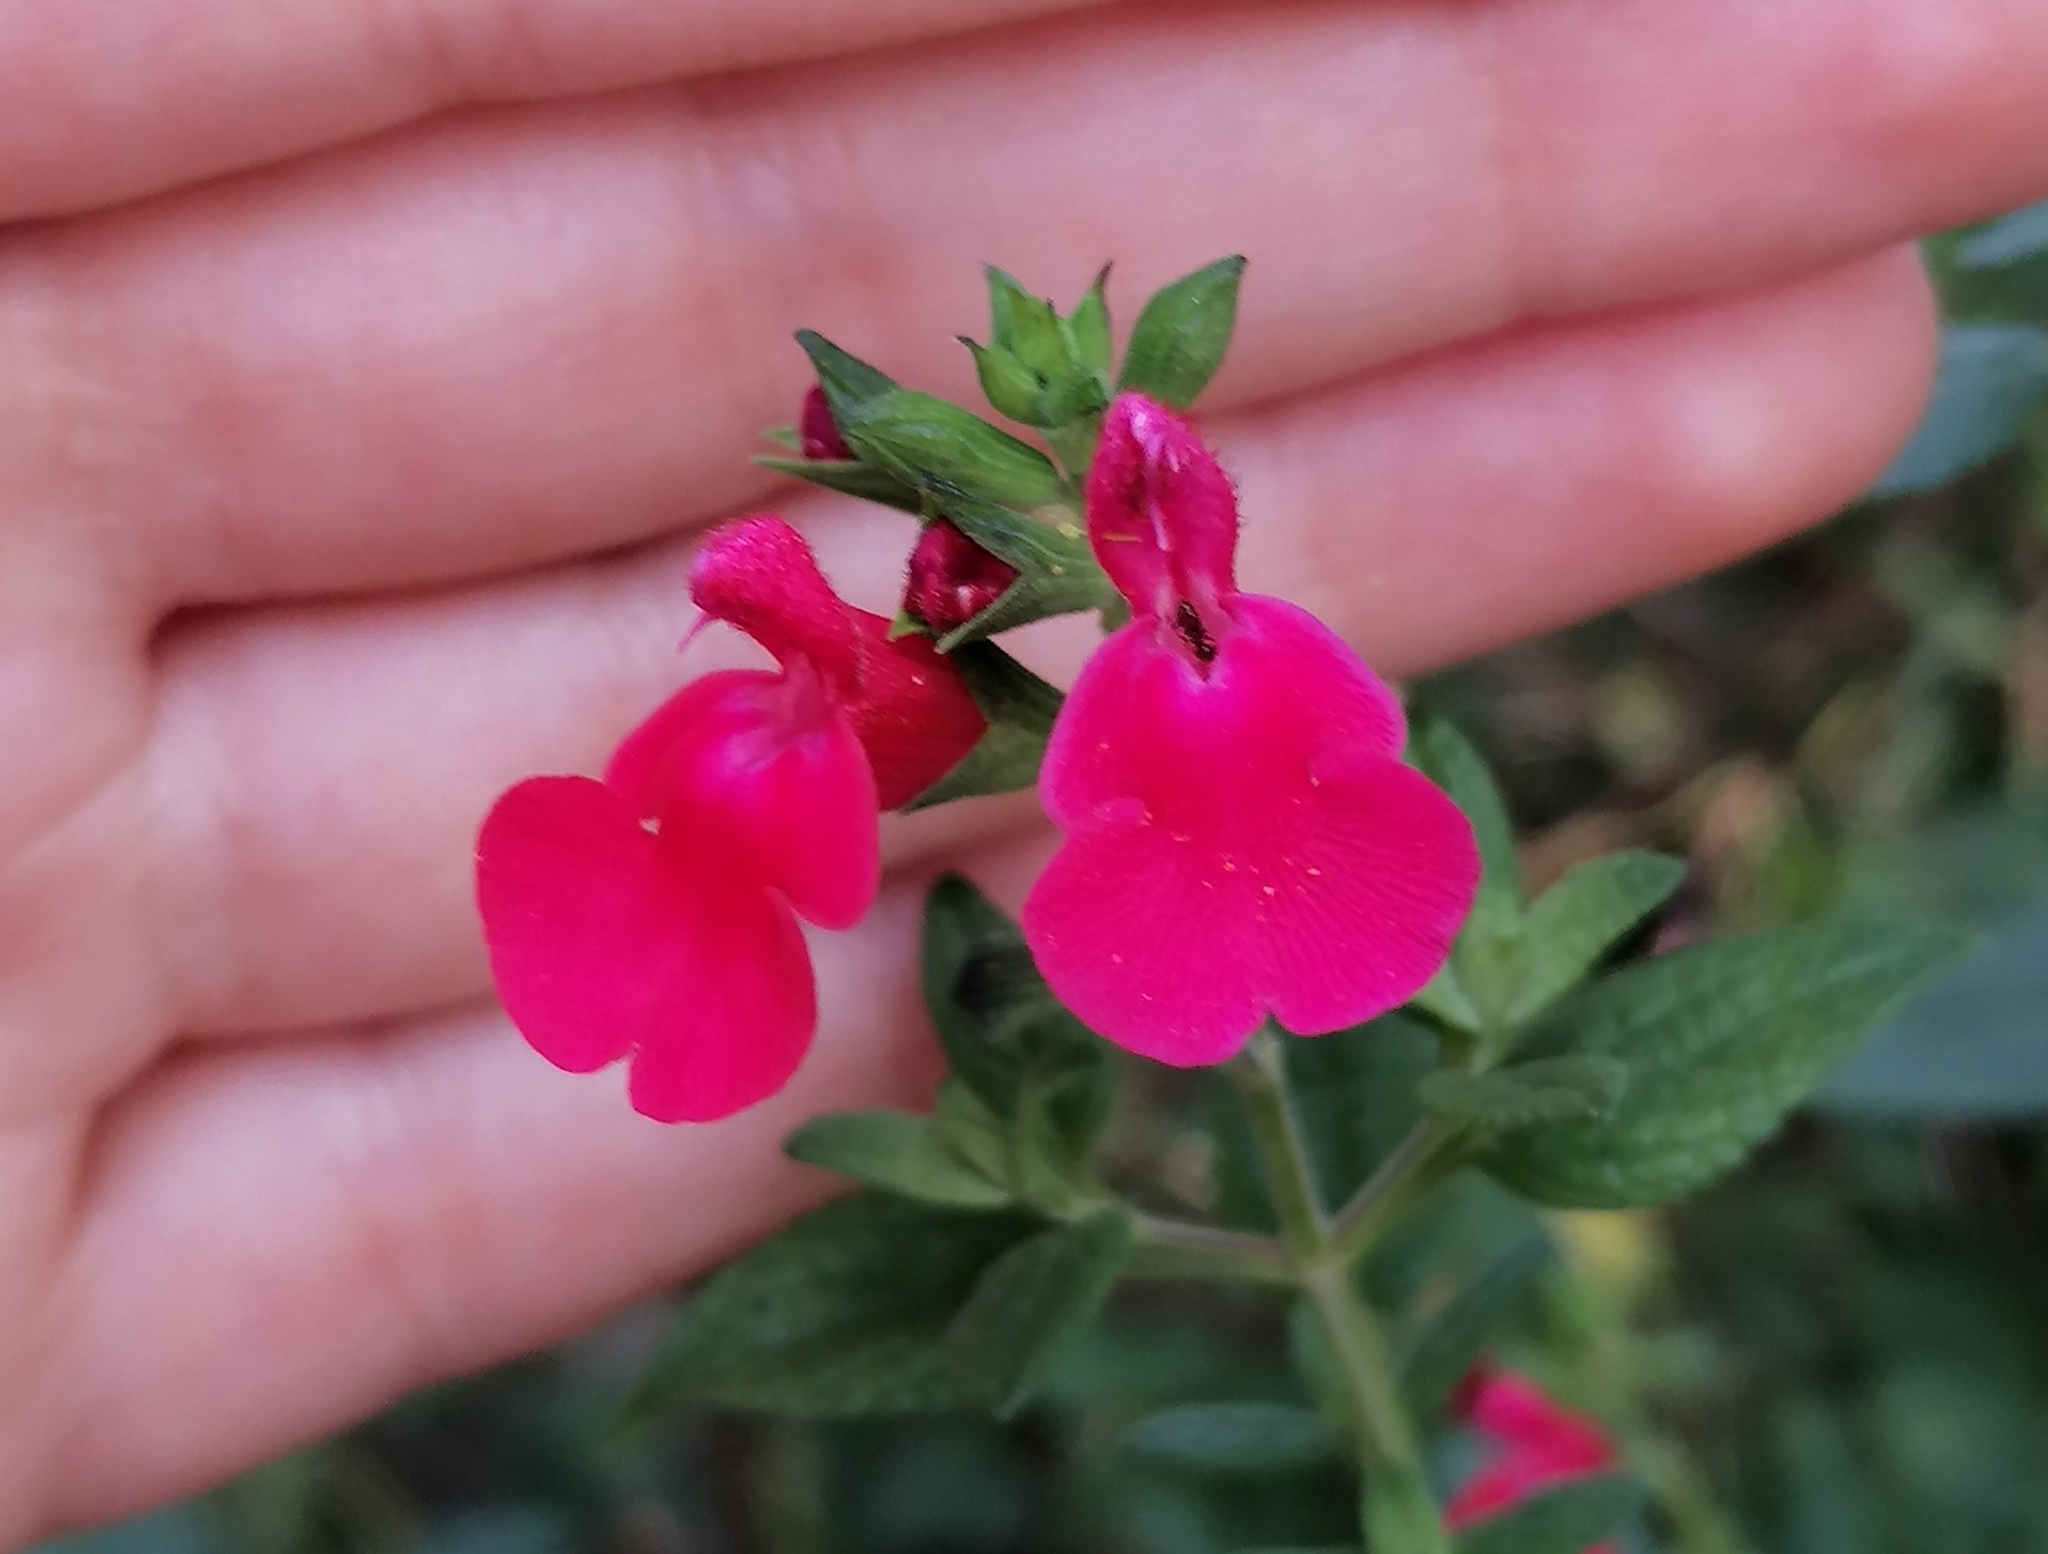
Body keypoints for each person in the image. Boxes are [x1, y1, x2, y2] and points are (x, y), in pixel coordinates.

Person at [0, 0, 2041, 1539]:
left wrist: (1146, 580)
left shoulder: (1200, 652)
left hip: (1192, 696)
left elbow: (1188, 615)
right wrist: (861, 656)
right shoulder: (959, 697)